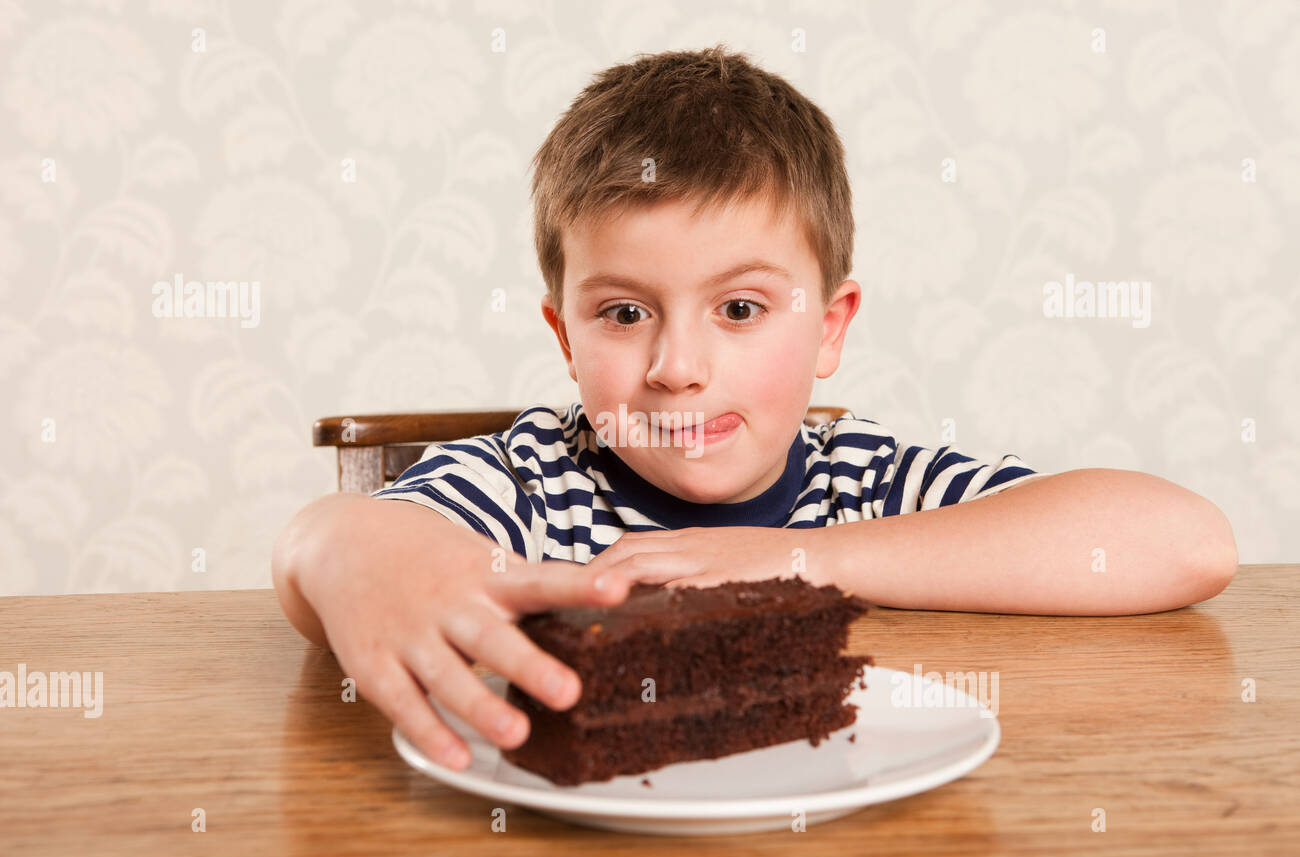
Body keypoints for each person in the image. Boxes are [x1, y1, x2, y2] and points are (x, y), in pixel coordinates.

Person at [272, 45, 1237, 773]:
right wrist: (344, 552)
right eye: (622, 312)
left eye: (739, 308)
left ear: (829, 327)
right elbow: (331, 550)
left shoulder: (866, 482)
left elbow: (1184, 542)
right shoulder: (527, 488)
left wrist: (798, 556)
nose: (678, 367)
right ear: (565, 338)